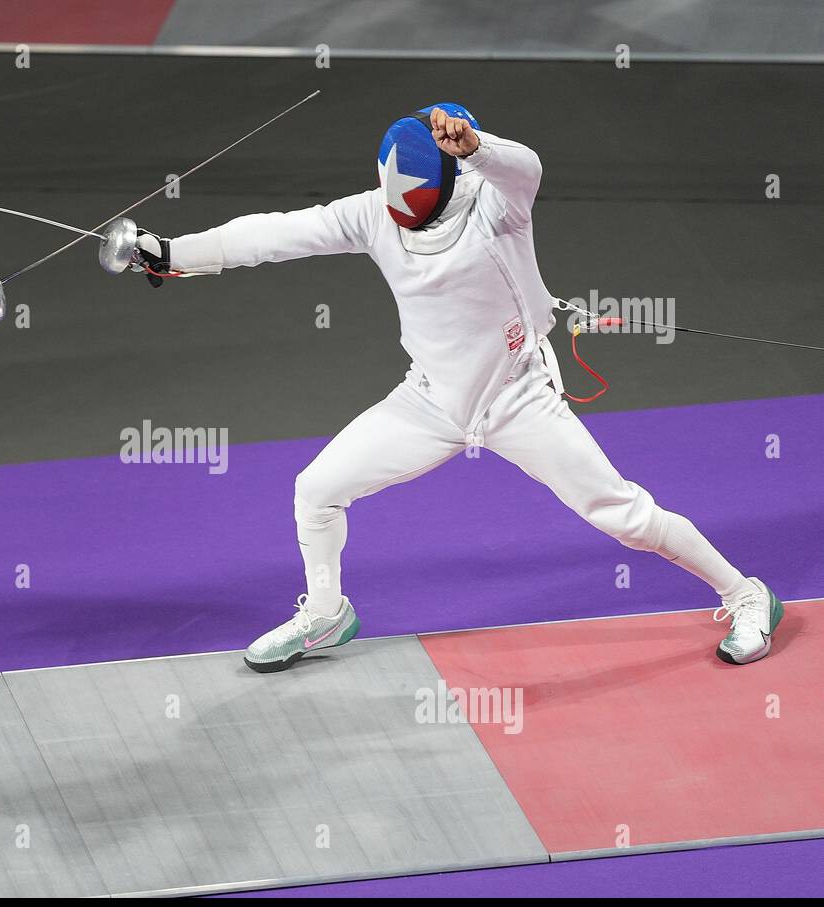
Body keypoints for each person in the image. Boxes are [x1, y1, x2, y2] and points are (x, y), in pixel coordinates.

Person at [127, 102, 783, 674]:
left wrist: (480, 146)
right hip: (431, 400)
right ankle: (326, 613)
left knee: (623, 515)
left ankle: (747, 593)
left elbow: (526, 166)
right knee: (316, 491)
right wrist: (173, 251)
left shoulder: (495, 205)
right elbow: (272, 236)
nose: (402, 221)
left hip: (515, 398)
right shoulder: (372, 216)